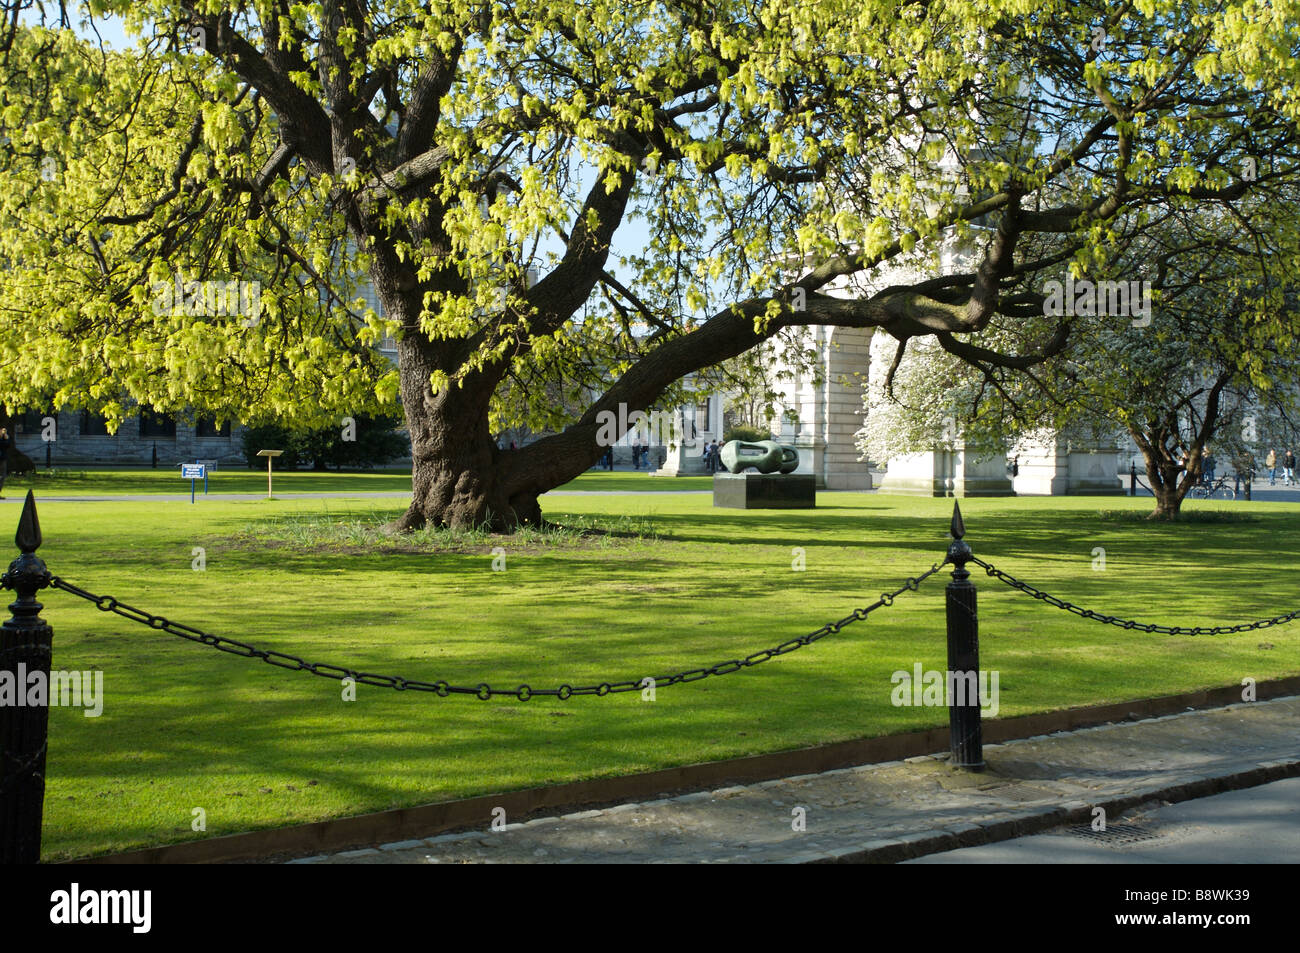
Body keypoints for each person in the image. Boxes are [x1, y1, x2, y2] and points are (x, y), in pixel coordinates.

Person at [0, 427, 8, 499]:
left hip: (2, 459)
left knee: (3, 476)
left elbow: (8, 445)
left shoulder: (3, 439)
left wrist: (5, 438)